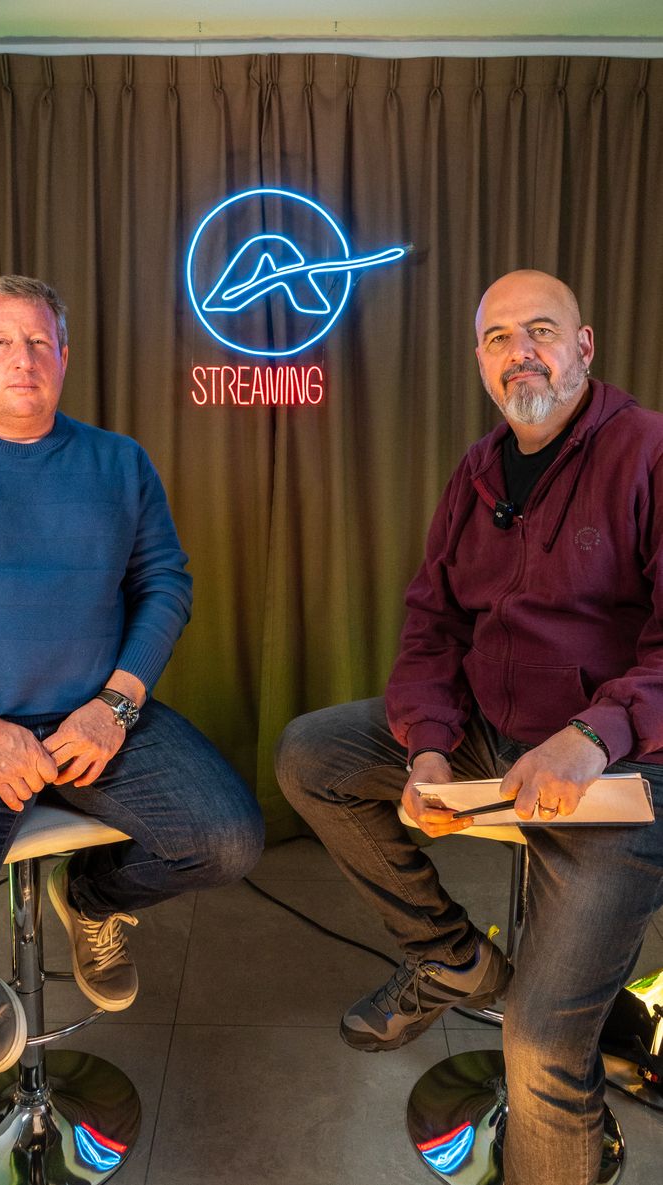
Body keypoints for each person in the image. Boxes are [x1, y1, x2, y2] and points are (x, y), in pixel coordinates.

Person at [276, 270, 663, 1185]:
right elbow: (431, 625)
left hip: (621, 765)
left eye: (540, 329)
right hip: (491, 734)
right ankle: (453, 961)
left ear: (585, 346)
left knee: (541, 1043)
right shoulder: (478, 467)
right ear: (481, 361)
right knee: (312, 755)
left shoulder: (647, 450)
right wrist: (428, 745)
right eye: (498, 337)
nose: (519, 351)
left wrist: (593, 733)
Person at [0, 274, 264, 1075]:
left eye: (41, 343)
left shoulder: (120, 462)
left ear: (64, 358)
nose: (24, 359)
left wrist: (115, 706)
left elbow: (165, 584)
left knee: (228, 840)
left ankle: (91, 899)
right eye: (2, 344)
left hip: (97, 718)